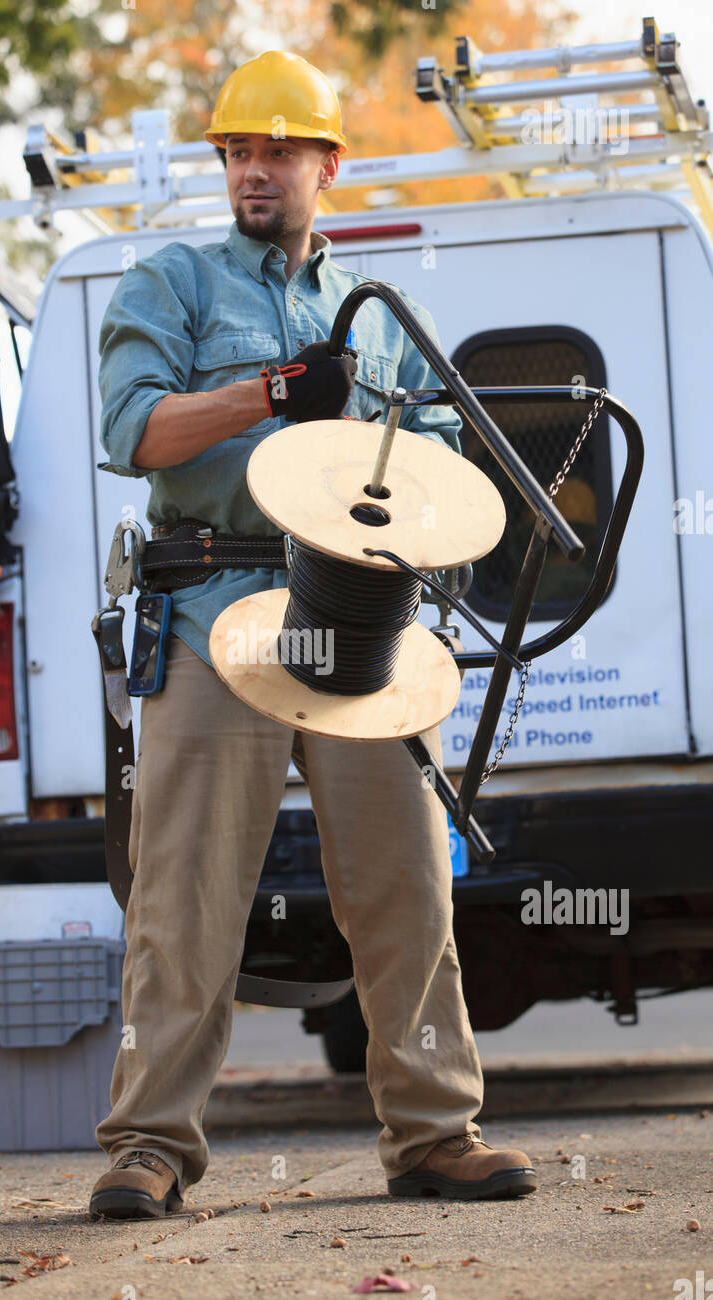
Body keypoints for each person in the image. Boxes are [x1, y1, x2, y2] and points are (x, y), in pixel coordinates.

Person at [90, 50, 536, 1220]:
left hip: (356, 621)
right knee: (182, 895)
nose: (254, 170)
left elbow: (443, 465)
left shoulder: (390, 319)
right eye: (238, 150)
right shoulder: (173, 283)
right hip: (208, 609)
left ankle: (436, 1133)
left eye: (278, 149)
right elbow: (134, 434)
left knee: (404, 888)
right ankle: (147, 1144)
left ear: (325, 163)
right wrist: (268, 395)